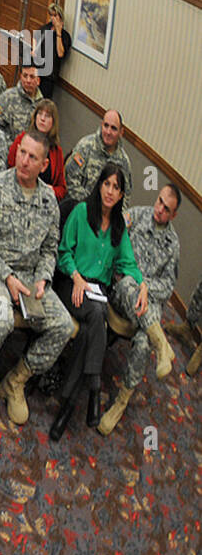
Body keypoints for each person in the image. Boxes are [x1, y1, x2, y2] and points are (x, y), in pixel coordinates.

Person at [0, 129, 73, 426]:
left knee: (63, 325)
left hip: (31, 278)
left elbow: (49, 247)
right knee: (0, 319)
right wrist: (7, 277)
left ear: (44, 165)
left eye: (33, 157)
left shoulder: (48, 200)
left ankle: (16, 380)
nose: (25, 160)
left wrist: (44, 279)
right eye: (22, 152)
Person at [50, 164, 145, 439]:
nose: (110, 191)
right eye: (107, 184)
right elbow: (63, 251)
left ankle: (66, 407)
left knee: (92, 329)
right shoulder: (81, 211)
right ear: (99, 185)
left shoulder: (118, 225)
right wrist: (77, 277)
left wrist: (143, 284)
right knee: (98, 317)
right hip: (72, 282)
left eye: (116, 187)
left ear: (121, 194)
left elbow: (128, 261)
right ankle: (94, 386)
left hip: (97, 291)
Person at [101, 185, 181, 433]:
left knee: (143, 342)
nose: (159, 209)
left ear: (173, 215)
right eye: (159, 201)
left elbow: (167, 286)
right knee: (127, 284)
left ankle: (121, 400)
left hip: (147, 304)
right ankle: (162, 344)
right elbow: (113, 247)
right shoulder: (135, 216)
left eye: (166, 209)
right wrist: (139, 283)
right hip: (121, 290)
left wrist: (146, 287)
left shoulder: (173, 244)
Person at [65, 109, 133, 201]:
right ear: (101, 125)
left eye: (113, 128)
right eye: (106, 126)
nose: (108, 132)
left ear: (121, 132)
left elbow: (125, 197)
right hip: (79, 206)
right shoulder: (85, 146)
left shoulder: (124, 162)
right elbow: (71, 180)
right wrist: (91, 207)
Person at [7, 98, 66, 200]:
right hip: (16, 194)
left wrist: (50, 190)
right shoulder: (22, 140)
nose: (42, 119)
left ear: (53, 122)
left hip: (44, 200)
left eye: (47, 116)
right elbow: (9, 169)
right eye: (39, 114)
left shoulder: (56, 151)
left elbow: (62, 189)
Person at [0, 64, 45, 141]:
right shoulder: (7, 98)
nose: (28, 80)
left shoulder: (42, 105)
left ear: (38, 81)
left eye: (32, 77)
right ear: (20, 77)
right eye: (25, 76)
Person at [34, 3, 71, 99]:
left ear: (61, 17)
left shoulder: (65, 36)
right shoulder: (45, 28)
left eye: (55, 15)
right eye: (51, 15)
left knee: (43, 100)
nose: (52, 18)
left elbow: (60, 53)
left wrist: (58, 32)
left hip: (49, 76)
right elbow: (36, 41)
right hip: (37, 71)